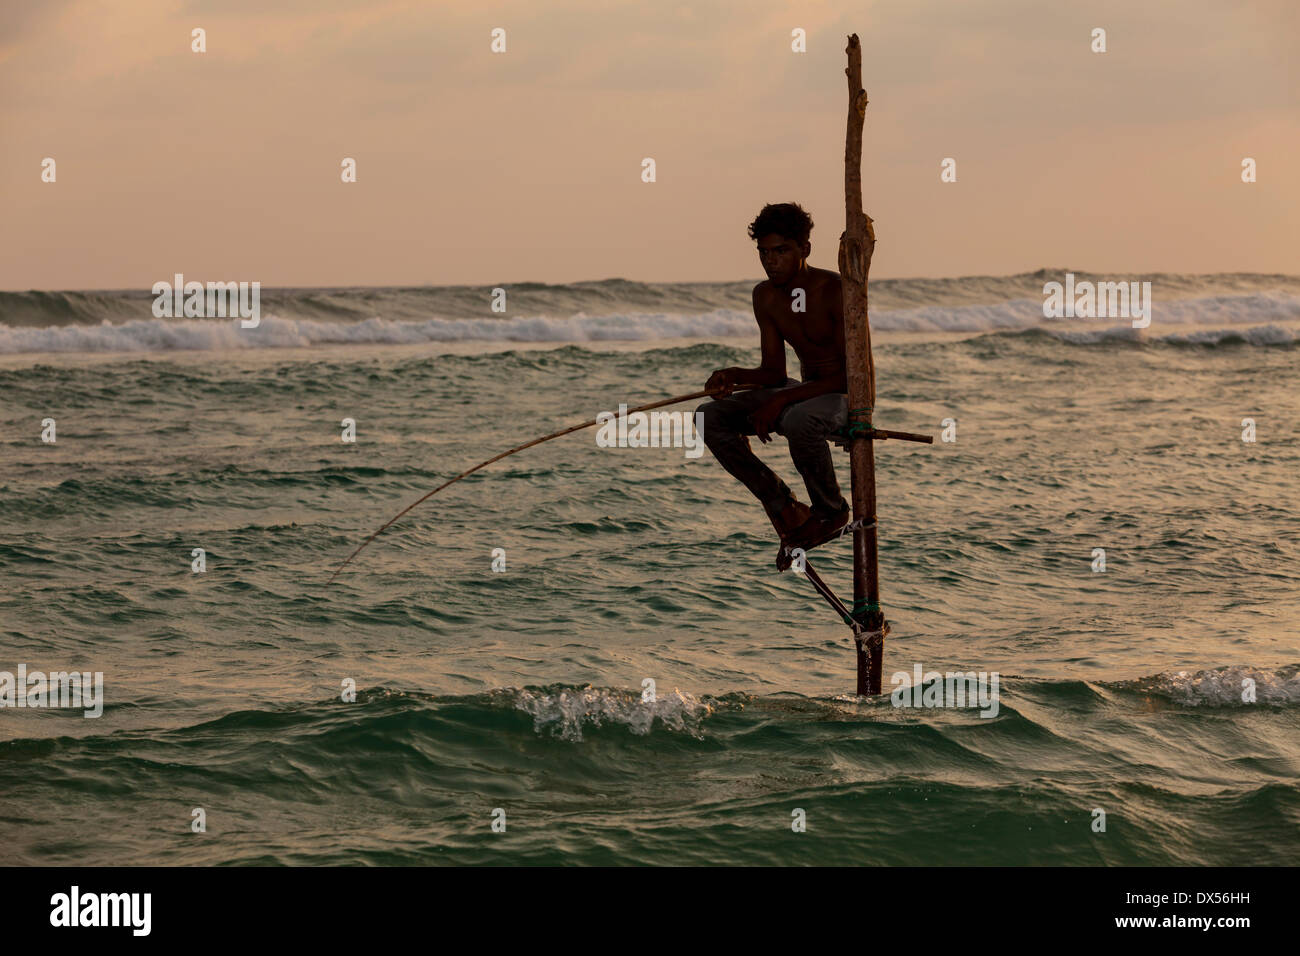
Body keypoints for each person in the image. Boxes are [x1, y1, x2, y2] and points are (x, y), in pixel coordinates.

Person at [698, 202, 851, 559]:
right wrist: (732, 376)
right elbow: (773, 373)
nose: (771, 261)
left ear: (804, 250)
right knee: (709, 416)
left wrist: (781, 400)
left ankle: (831, 511)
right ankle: (783, 504)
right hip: (803, 393)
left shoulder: (834, 289)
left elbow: (850, 376)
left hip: (843, 396)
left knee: (798, 418)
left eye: (781, 251)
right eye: (764, 252)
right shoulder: (765, 295)